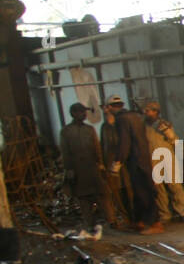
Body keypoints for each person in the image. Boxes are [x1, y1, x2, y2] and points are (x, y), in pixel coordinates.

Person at [111, 99, 162, 234]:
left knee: (143, 191)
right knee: (140, 191)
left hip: (135, 159)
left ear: (110, 108)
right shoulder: (136, 117)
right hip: (143, 157)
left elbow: (124, 142)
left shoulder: (121, 120)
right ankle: (140, 221)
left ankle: (155, 223)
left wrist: (117, 162)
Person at [58, 102, 105, 239]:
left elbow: (97, 147)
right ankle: (89, 223)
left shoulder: (90, 129)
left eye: (84, 112)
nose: (84, 114)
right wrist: (69, 170)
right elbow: (65, 152)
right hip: (77, 169)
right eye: (81, 112)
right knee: (83, 198)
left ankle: (105, 221)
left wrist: (100, 164)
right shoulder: (66, 131)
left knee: (100, 195)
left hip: (92, 168)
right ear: (73, 114)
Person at [143, 98, 184, 223]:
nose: (146, 113)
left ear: (155, 112)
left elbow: (175, 140)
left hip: (167, 157)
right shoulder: (144, 126)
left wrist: (167, 131)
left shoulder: (164, 124)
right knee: (159, 188)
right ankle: (165, 215)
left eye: (148, 111)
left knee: (174, 185)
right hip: (152, 158)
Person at [99, 95, 133, 226]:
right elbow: (103, 145)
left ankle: (134, 218)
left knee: (130, 191)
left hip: (125, 163)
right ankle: (126, 219)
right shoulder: (104, 127)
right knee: (117, 192)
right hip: (111, 163)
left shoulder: (124, 123)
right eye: (112, 106)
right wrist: (102, 164)